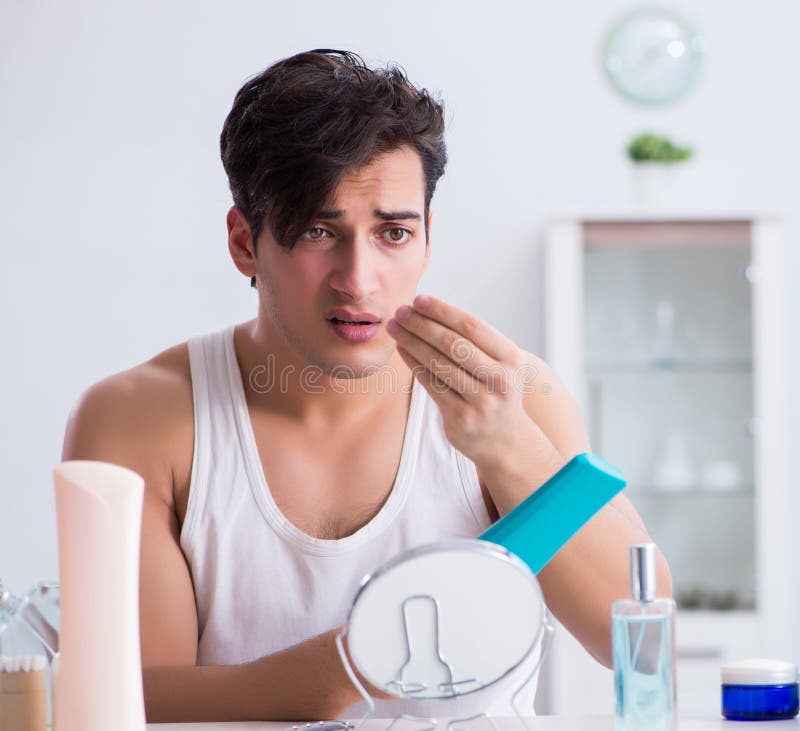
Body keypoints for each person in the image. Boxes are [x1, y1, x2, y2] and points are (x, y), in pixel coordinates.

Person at [61, 49, 671, 723]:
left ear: (428, 239)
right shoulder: (139, 417)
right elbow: (133, 695)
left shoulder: (514, 394)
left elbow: (639, 644)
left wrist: (509, 447)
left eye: (393, 232)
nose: (358, 278)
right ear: (244, 243)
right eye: (320, 231)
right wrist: (353, 663)